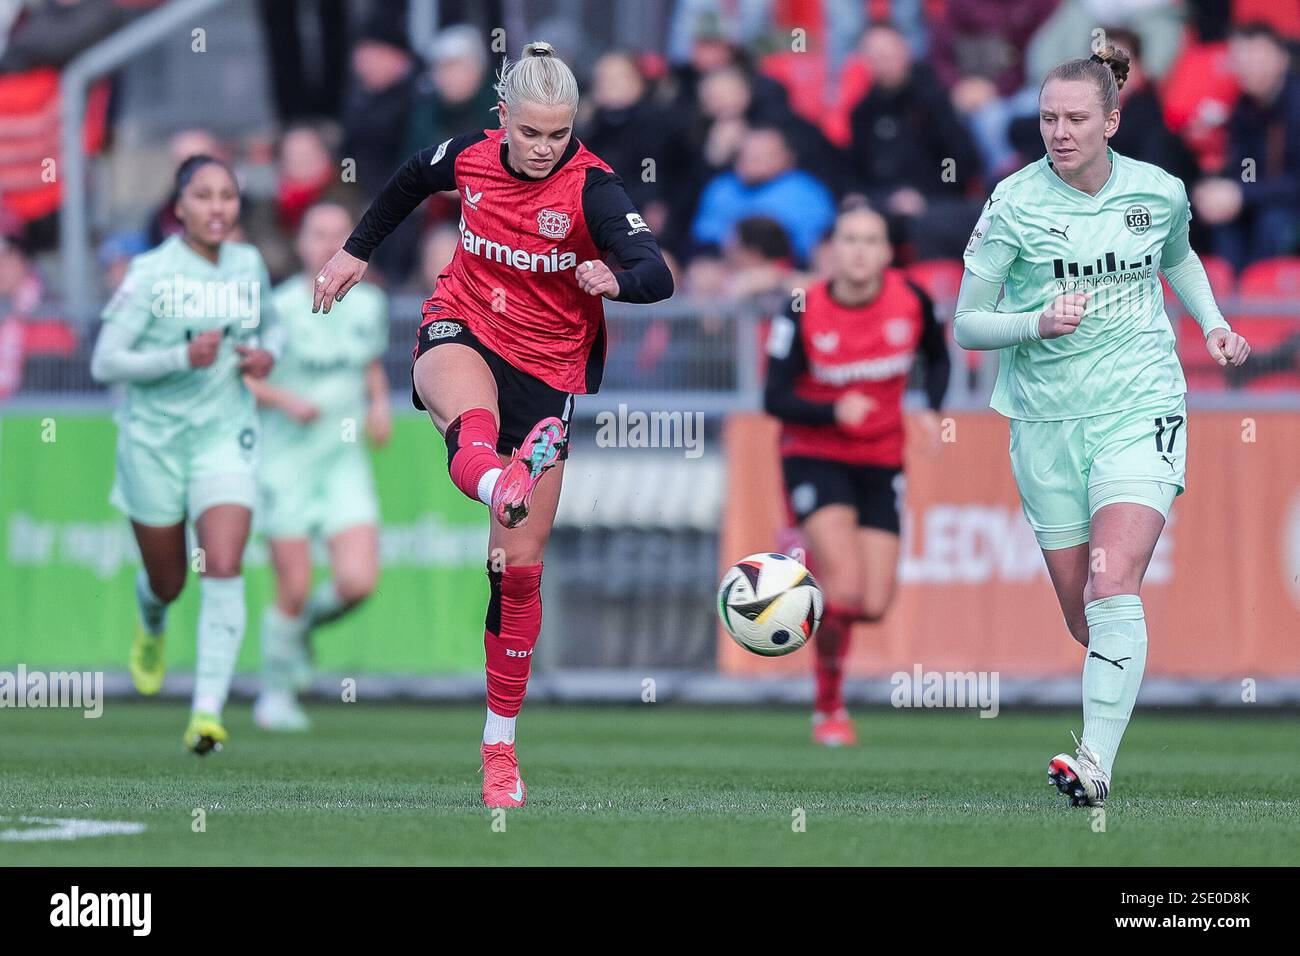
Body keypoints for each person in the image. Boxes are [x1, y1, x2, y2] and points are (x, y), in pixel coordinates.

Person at [312, 42, 673, 807]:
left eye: (559, 133)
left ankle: (499, 749)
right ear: (502, 117)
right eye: (532, 131)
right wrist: (355, 252)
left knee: (516, 574)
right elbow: (413, 175)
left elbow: (657, 268)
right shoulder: (472, 157)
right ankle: (502, 476)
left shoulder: (594, 189)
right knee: (465, 417)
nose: (545, 148)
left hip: (546, 374)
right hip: (464, 323)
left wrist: (618, 277)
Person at [953, 43, 1252, 806]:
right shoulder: (1014, 204)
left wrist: (1213, 325)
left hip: (1141, 404)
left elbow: (1179, 259)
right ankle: (1117, 686)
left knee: (1111, 578)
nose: (1060, 131)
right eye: (1049, 117)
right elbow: (967, 324)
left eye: (1077, 118)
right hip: (1045, 421)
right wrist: (1035, 323)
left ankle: (1092, 765)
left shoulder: (1158, 191)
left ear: (1111, 121)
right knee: (1086, 616)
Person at [90, 155, 278, 755]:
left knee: (223, 563)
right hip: (153, 442)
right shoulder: (149, 273)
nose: (218, 207)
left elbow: (272, 329)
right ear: (180, 207)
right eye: (204, 196)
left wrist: (265, 355)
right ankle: (151, 624)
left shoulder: (249, 263)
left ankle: (206, 712)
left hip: (225, 435)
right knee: (169, 581)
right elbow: (104, 362)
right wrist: (178, 359)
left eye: (227, 196)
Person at [764, 199, 949, 746]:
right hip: (814, 450)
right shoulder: (800, 306)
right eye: (848, 239)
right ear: (831, 251)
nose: (859, 250)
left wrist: (932, 408)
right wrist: (831, 410)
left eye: (870, 240)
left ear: (887, 253)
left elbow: (939, 357)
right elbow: (772, 396)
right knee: (843, 586)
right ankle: (829, 706)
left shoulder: (910, 298)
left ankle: (802, 593)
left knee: (871, 603)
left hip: (882, 457)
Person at [246, 202, 390, 732]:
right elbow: (244, 378)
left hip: (342, 461)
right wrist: (285, 400)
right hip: (287, 463)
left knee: (357, 582)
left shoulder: (369, 305)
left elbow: (369, 363)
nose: (329, 243)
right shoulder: (278, 308)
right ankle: (276, 695)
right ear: (301, 243)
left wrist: (379, 404)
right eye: (318, 234)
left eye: (339, 234)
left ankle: (298, 631)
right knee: (295, 586)